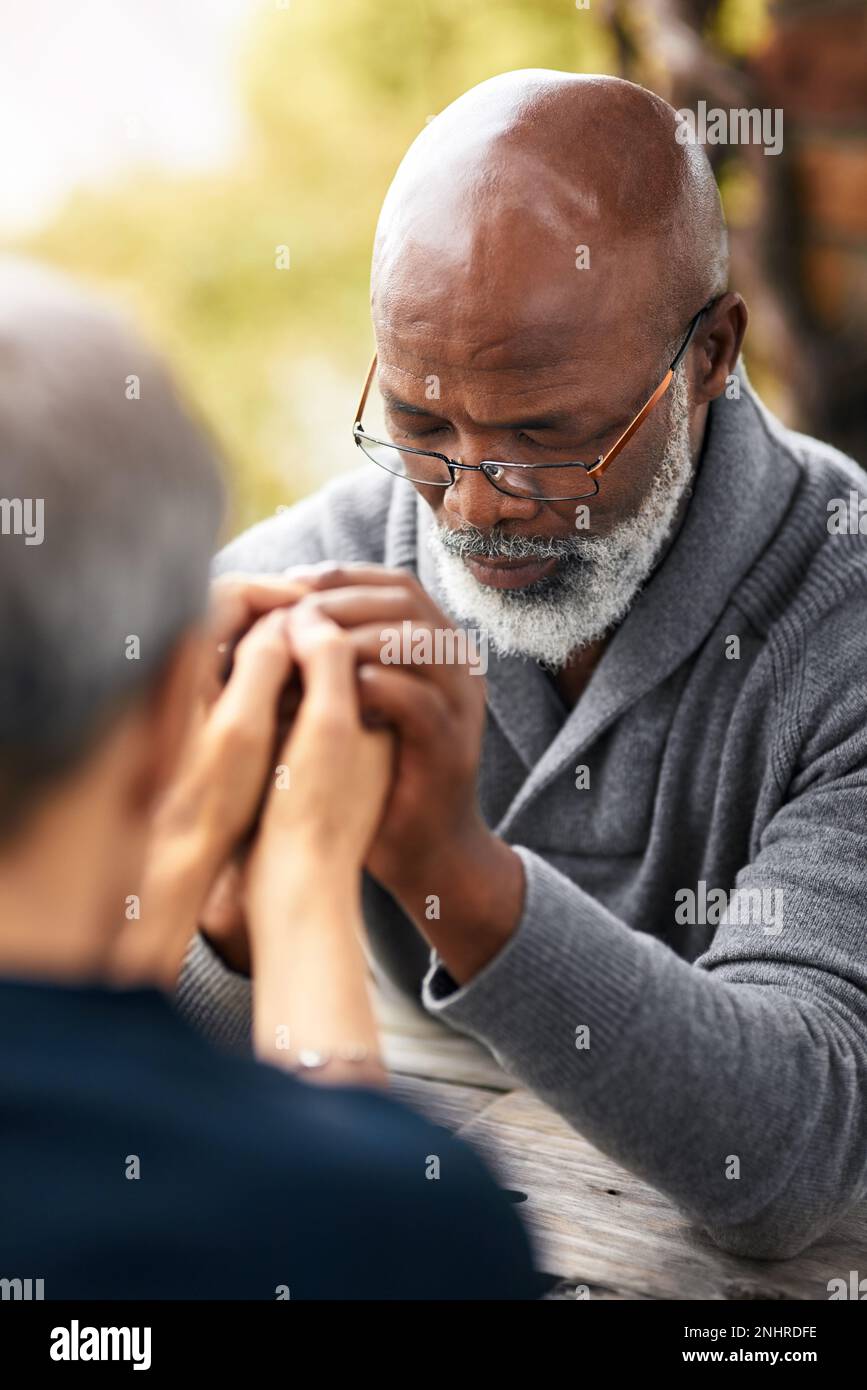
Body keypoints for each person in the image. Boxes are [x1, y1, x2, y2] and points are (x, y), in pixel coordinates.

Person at [179, 70, 867, 1261]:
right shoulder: (297, 579)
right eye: (423, 423)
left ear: (710, 357)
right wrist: (224, 914)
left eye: (549, 437)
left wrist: (451, 868)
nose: (475, 504)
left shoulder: (840, 618)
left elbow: (788, 1159)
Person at [0, 258, 536, 1300]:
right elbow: (347, 1224)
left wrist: (194, 847)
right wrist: (300, 878)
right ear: (168, 715)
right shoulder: (401, 1226)